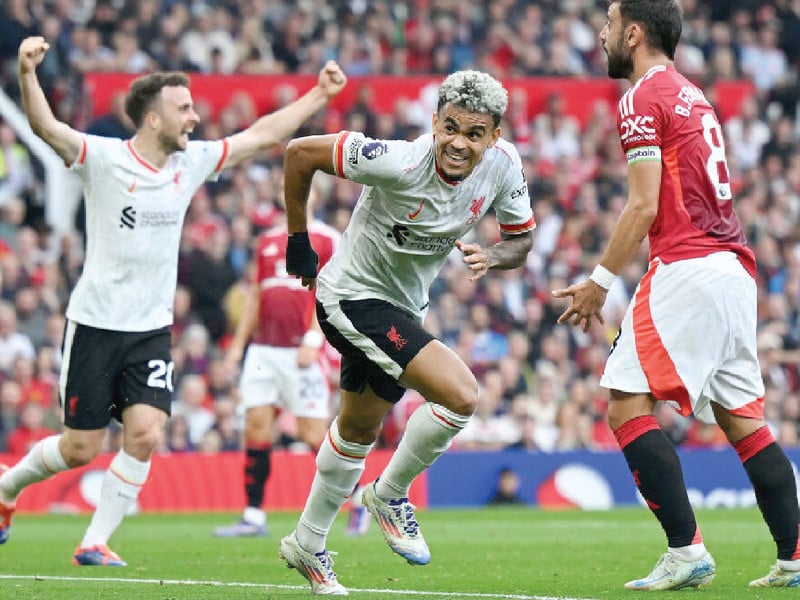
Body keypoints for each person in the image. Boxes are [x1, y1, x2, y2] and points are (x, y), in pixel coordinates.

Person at [0, 35, 346, 566]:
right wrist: (27, 73)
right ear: (153, 120)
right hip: (94, 324)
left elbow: (259, 136)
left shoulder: (193, 163)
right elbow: (47, 128)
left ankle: (94, 540)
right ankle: (7, 489)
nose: (194, 117)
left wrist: (317, 96)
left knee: (145, 433)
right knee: (79, 449)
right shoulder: (104, 158)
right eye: (182, 108)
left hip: (151, 329)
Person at [553, 0, 800, 591]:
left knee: (624, 405)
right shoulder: (692, 93)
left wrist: (599, 281)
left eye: (610, 24)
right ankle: (794, 558)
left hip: (687, 266)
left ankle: (686, 552)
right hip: (735, 271)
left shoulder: (642, 97)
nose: (604, 33)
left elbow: (642, 204)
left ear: (633, 33)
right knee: (744, 422)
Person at [278, 69, 535, 595]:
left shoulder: (505, 169)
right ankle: (391, 492)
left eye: (474, 133)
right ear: (435, 123)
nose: (459, 143)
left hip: (401, 309)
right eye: (450, 128)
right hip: (350, 297)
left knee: (357, 432)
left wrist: (492, 255)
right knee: (460, 394)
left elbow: (522, 240)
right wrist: (298, 241)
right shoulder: (397, 160)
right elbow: (299, 153)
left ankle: (307, 543)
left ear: (495, 138)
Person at [213, 191, 340, 538]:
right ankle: (253, 515)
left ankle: (358, 499)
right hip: (263, 351)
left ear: (315, 195)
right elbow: (257, 294)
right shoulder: (268, 240)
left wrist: (315, 339)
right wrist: (238, 346)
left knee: (311, 433)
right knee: (256, 427)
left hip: (301, 350)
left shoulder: (329, 239)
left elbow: (333, 291)